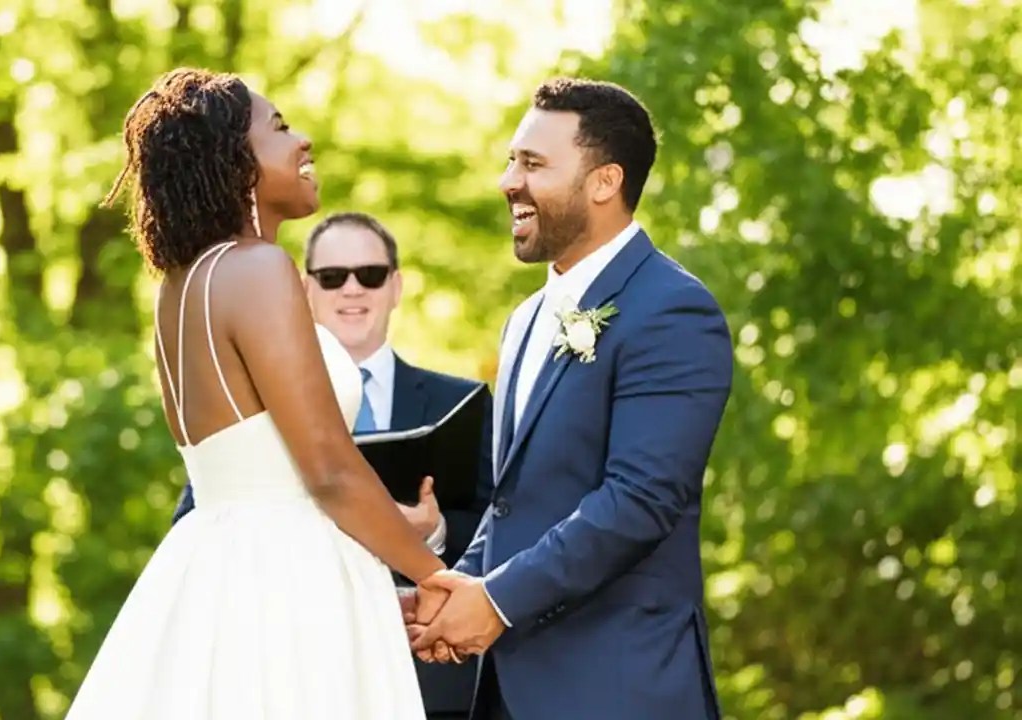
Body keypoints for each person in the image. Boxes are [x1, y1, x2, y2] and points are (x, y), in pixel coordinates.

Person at [65, 67, 447, 720]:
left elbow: (260, 464)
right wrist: (437, 578)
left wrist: (380, 572)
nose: (302, 141)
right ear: (235, 159)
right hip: (283, 576)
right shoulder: (259, 269)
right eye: (279, 127)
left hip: (231, 573)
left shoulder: (181, 285)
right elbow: (326, 469)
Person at [409, 78, 734, 720]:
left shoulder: (673, 310)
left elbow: (639, 501)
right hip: (508, 690)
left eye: (533, 164)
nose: (508, 182)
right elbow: (515, 504)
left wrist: (495, 601)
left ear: (604, 182)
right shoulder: (525, 320)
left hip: (617, 688)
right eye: (511, 161)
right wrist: (451, 591)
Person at [301, 212, 494, 719]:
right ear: (305, 290)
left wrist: (435, 533)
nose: (352, 289)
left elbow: (506, 526)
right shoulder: (260, 412)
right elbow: (208, 518)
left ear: (396, 286)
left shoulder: (463, 403)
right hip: (302, 671)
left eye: (370, 275)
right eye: (332, 277)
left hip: (428, 677)